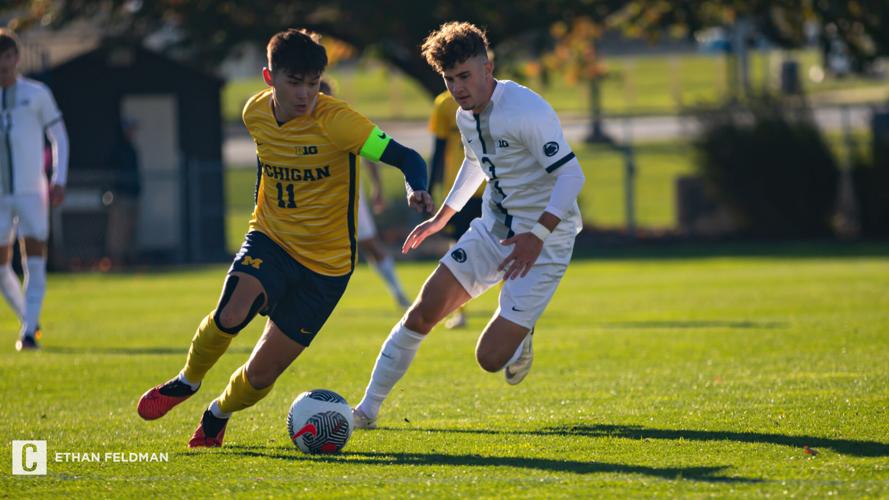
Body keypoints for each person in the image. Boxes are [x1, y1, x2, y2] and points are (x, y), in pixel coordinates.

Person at [136, 29, 431, 448]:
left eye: (313, 84)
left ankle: (217, 414)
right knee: (231, 313)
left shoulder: (338, 120)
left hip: (327, 268)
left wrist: (414, 187)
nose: (305, 94)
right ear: (268, 77)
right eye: (295, 83)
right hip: (270, 239)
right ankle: (187, 381)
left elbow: (408, 157)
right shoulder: (253, 113)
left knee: (261, 374)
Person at [353, 21, 586, 429]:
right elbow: (477, 162)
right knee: (424, 311)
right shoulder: (464, 115)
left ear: (487, 68)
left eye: (464, 76)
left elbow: (572, 177)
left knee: (489, 358)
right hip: (492, 229)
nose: (458, 87)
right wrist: (442, 217)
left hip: (545, 241)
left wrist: (538, 235)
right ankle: (366, 411)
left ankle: (521, 330)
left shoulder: (526, 110)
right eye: (449, 79)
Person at [0, 29, 69, 351]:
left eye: (8, 56)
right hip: (1, 195)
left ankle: (28, 332)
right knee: (1, 267)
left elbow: (59, 137)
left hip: (31, 191)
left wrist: (59, 178)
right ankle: (31, 320)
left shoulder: (36, 93)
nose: (3, 63)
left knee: (34, 260)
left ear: (16, 58)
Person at [320, 80, 410, 309]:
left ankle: (398, 292)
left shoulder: (344, 120)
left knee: (370, 244)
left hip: (348, 196)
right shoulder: (300, 124)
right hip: (316, 197)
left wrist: (377, 189)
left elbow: (370, 154)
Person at [428, 90, 484, 328]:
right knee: (459, 252)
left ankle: (507, 311)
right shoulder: (445, 104)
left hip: (494, 189)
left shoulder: (499, 99)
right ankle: (459, 312)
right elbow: (439, 148)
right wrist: (430, 187)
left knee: (505, 248)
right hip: (460, 191)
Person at [106, 118, 141, 267]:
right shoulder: (118, 150)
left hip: (133, 195)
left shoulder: (132, 150)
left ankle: (129, 260)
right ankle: (116, 260)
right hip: (121, 195)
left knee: (131, 230)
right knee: (117, 230)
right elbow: (112, 173)